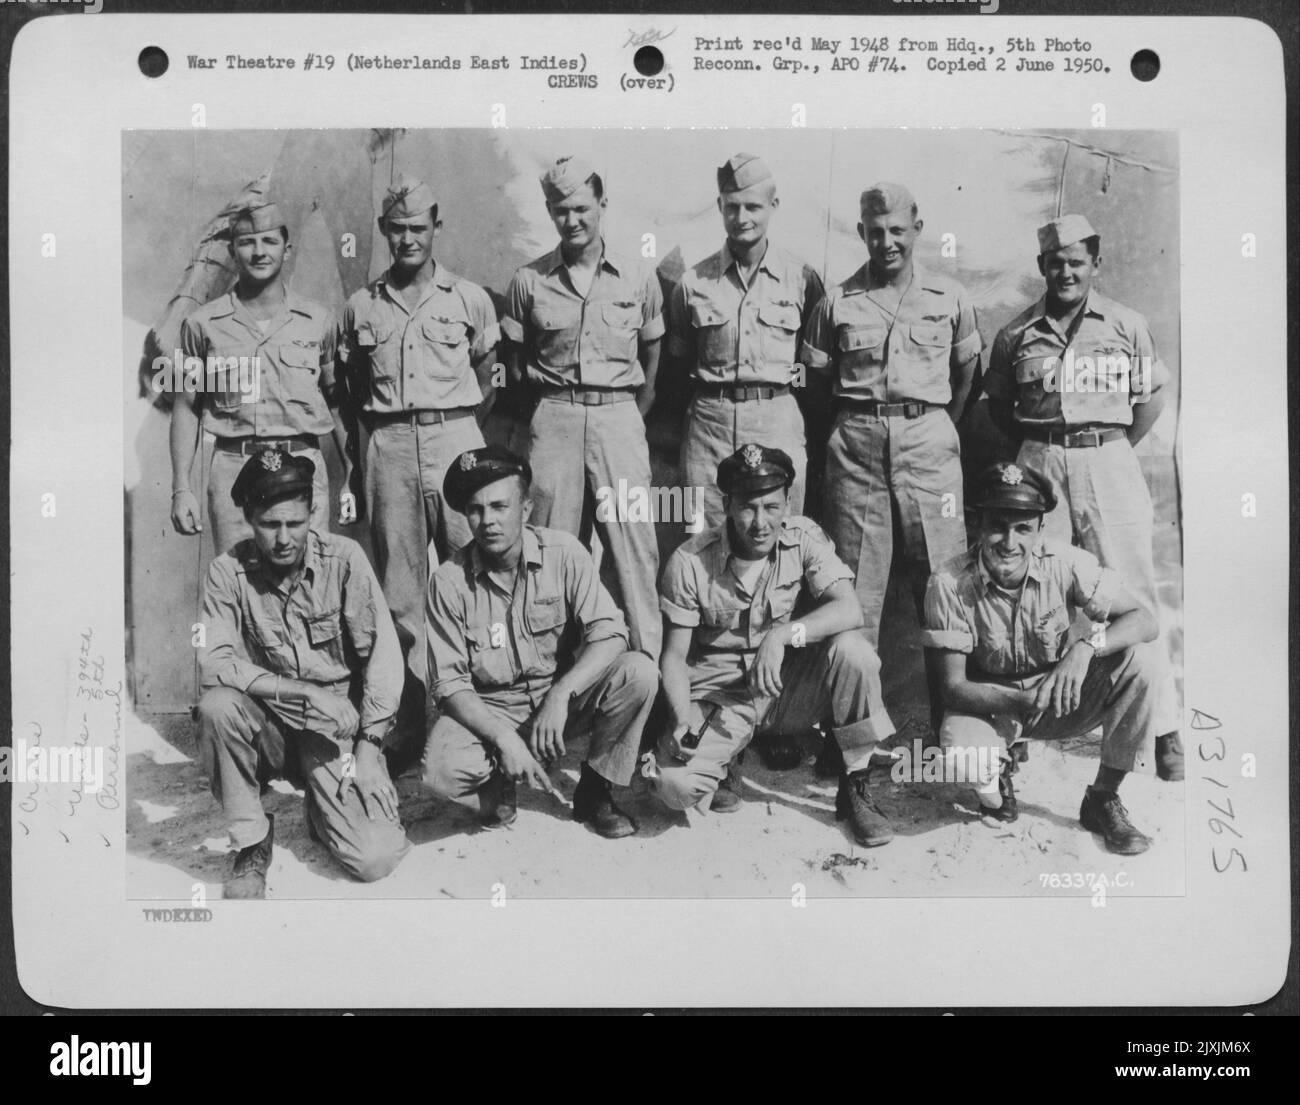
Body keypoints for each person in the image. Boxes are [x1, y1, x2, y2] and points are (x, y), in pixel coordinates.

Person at [983, 213, 1182, 780]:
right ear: (1042, 268)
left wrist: (1107, 446)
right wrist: (1047, 448)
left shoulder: (1126, 324)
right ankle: (1016, 721)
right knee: (1025, 587)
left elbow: (1149, 397)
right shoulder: (1017, 334)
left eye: (1077, 261)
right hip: (1039, 459)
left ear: (1096, 263)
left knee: (1132, 587)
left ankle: (1163, 728)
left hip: (1108, 458)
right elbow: (999, 407)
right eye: (1055, 263)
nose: (1066, 272)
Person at [801, 182, 981, 746]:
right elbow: (815, 387)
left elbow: (966, 380)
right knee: (856, 591)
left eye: (897, 231)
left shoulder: (950, 300)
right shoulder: (837, 301)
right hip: (856, 445)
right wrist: (856, 430)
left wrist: (930, 423)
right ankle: (852, 734)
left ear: (917, 229)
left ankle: (952, 720)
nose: (887, 242)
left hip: (930, 443)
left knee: (945, 587)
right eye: (875, 232)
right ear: (861, 233)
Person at [650, 444, 896, 846]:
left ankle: (855, 786)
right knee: (673, 786)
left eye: (772, 507)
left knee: (854, 651)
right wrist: (679, 719)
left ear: (786, 504)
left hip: (786, 689)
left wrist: (784, 635)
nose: (760, 522)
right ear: (727, 505)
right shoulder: (690, 561)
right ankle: (729, 755)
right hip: (723, 696)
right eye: (748, 507)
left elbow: (849, 609)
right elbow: (674, 657)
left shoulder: (803, 538)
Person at [923, 461, 1171, 854]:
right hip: (990, 703)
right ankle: (996, 788)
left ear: (1040, 530)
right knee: (966, 759)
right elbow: (952, 687)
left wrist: (1087, 646)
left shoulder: (1064, 562)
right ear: (976, 525)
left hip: (1057, 694)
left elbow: (1144, 620)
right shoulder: (949, 582)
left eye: (1023, 528)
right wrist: (1018, 702)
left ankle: (1103, 797)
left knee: (1140, 661)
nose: (1009, 541)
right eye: (998, 525)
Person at [196, 448, 410, 898]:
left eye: (295, 523)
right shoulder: (226, 572)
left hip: (334, 730)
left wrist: (370, 747)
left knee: (376, 858)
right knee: (217, 706)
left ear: (313, 513)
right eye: (269, 525)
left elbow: (384, 658)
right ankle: (252, 841)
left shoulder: (345, 559)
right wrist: (305, 693)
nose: (283, 539)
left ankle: (323, 806)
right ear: (249, 518)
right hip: (271, 721)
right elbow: (213, 660)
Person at [335, 174, 500, 743]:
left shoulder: (469, 298)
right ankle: (410, 719)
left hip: (456, 435)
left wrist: (460, 426)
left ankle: (485, 712)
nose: (408, 239)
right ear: (383, 230)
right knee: (401, 587)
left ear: (437, 228)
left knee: (474, 570)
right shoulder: (361, 306)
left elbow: (488, 374)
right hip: (390, 444)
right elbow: (352, 386)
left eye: (419, 228)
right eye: (397, 229)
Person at [423, 446, 658, 838]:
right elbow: (449, 685)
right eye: (476, 510)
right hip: (492, 706)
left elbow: (611, 633)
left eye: (500, 507)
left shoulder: (564, 554)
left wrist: (562, 694)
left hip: (558, 697)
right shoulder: (448, 581)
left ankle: (596, 789)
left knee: (640, 673)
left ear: (526, 509)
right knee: (439, 775)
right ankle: (498, 781)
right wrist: (501, 739)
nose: (488, 521)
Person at [500, 155, 664, 658]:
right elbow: (514, 366)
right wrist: (549, 416)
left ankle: (645, 686)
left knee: (633, 553)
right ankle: (540, 682)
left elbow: (653, 360)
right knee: (546, 550)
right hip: (555, 419)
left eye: (580, 208)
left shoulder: (637, 276)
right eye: (558, 211)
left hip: (619, 418)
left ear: (602, 205)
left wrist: (630, 414)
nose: (571, 221)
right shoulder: (529, 281)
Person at [170, 201, 348, 554]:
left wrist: (352, 476)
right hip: (234, 469)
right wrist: (181, 488)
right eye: (248, 242)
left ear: (287, 248)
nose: (259, 252)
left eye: (269, 241)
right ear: (233, 251)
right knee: (238, 586)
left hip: (303, 467)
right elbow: (186, 408)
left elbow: (339, 403)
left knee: (310, 586)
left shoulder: (318, 321)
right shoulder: (202, 325)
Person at [665, 153, 825, 532]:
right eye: (732, 207)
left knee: (778, 537)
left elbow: (810, 366)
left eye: (753, 206)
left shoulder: (801, 278)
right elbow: (676, 367)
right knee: (704, 536)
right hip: (710, 424)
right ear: (719, 206)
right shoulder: (694, 282)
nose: (742, 218)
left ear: (774, 206)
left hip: (777, 420)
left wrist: (790, 402)